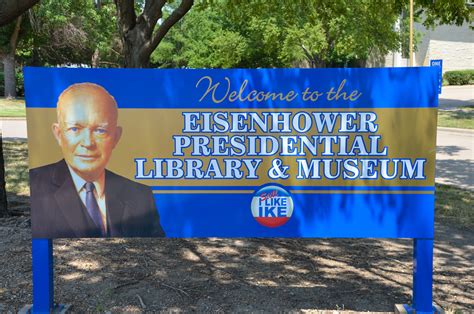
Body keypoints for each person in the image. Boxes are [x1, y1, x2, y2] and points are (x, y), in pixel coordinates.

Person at [30, 83, 165, 238]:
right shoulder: (36, 186)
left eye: (100, 130)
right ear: (58, 134)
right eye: (75, 129)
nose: (88, 143)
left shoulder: (140, 195)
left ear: (116, 137)